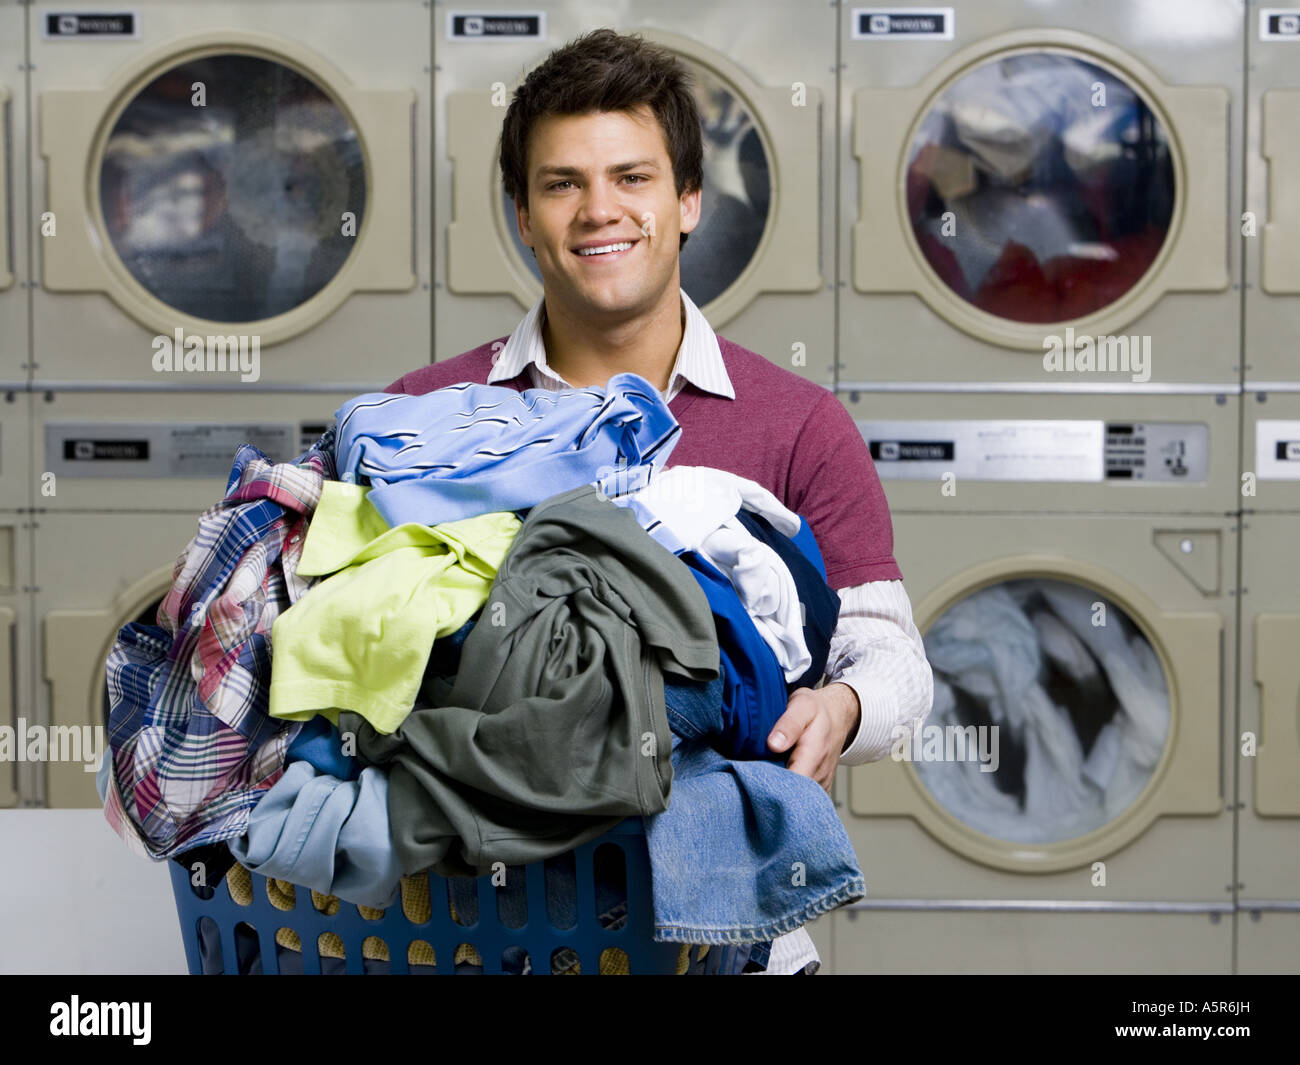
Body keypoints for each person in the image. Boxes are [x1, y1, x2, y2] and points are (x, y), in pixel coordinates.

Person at [384, 28, 933, 974]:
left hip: (731, 944)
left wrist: (840, 705)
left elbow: (893, 658)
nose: (600, 211)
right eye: (562, 183)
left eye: (632, 178)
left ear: (687, 201)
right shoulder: (421, 419)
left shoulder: (796, 423)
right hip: (479, 935)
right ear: (522, 212)